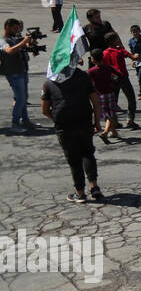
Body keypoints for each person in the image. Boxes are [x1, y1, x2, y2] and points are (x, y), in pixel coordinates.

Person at [42, 58, 103, 203]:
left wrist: (56, 118)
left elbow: (44, 110)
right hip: (84, 120)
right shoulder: (83, 76)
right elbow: (95, 99)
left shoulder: (49, 83)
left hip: (64, 125)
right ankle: (94, 187)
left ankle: (80, 193)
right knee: (88, 153)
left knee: (73, 159)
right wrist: (97, 120)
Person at [2, 19, 36, 131]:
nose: (17, 31)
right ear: (7, 27)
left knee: (23, 98)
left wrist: (29, 43)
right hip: (14, 73)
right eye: (15, 28)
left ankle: (25, 121)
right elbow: (9, 51)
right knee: (20, 99)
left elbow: (21, 48)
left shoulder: (13, 38)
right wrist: (23, 41)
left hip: (22, 71)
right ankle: (15, 124)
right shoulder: (3, 41)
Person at [102, 32, 139, 130]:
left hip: (112, 79)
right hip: (123, 78)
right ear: (114, 41)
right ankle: (130, 119)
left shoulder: (105, 53)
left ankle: (114, 122)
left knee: (113, 101)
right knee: (131, 98)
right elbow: (134, 57)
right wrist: (137, 54)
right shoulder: (119, 50)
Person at [86, 48, 122, 145]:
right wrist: (114, 84)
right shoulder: (108, 67)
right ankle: (112, 132)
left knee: (107, 115)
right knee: (110, 114)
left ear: (93, 59)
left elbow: (87, 83)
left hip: (99, 95)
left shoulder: (91, 71)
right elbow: (119, 75)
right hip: (110, 93)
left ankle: (106, 132)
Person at [128, 25, 141, 99]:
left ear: (139, 31)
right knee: (140, 76)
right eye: (133, 32)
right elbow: (132, 51)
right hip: (136, 61)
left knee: (140, 76)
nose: (135, 33)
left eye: (136, 31)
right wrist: (132, 60)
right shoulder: (131, 41)